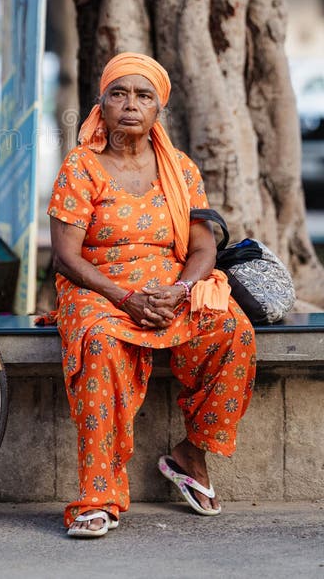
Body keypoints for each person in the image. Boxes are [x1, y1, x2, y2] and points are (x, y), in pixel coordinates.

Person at [44, 52, 256, 538]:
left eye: (143, 96)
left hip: (170, 288)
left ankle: (191, 457)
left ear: (159, 109)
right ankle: (98, 497)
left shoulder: (180, 169)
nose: (130, 105)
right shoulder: (81, 167)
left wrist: (182, 289)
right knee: (99, 345)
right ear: (102, 105)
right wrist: (125, 298)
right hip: (99, 289)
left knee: (232, 332)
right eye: (119, 94)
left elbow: (203, 244)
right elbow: (65, 258)